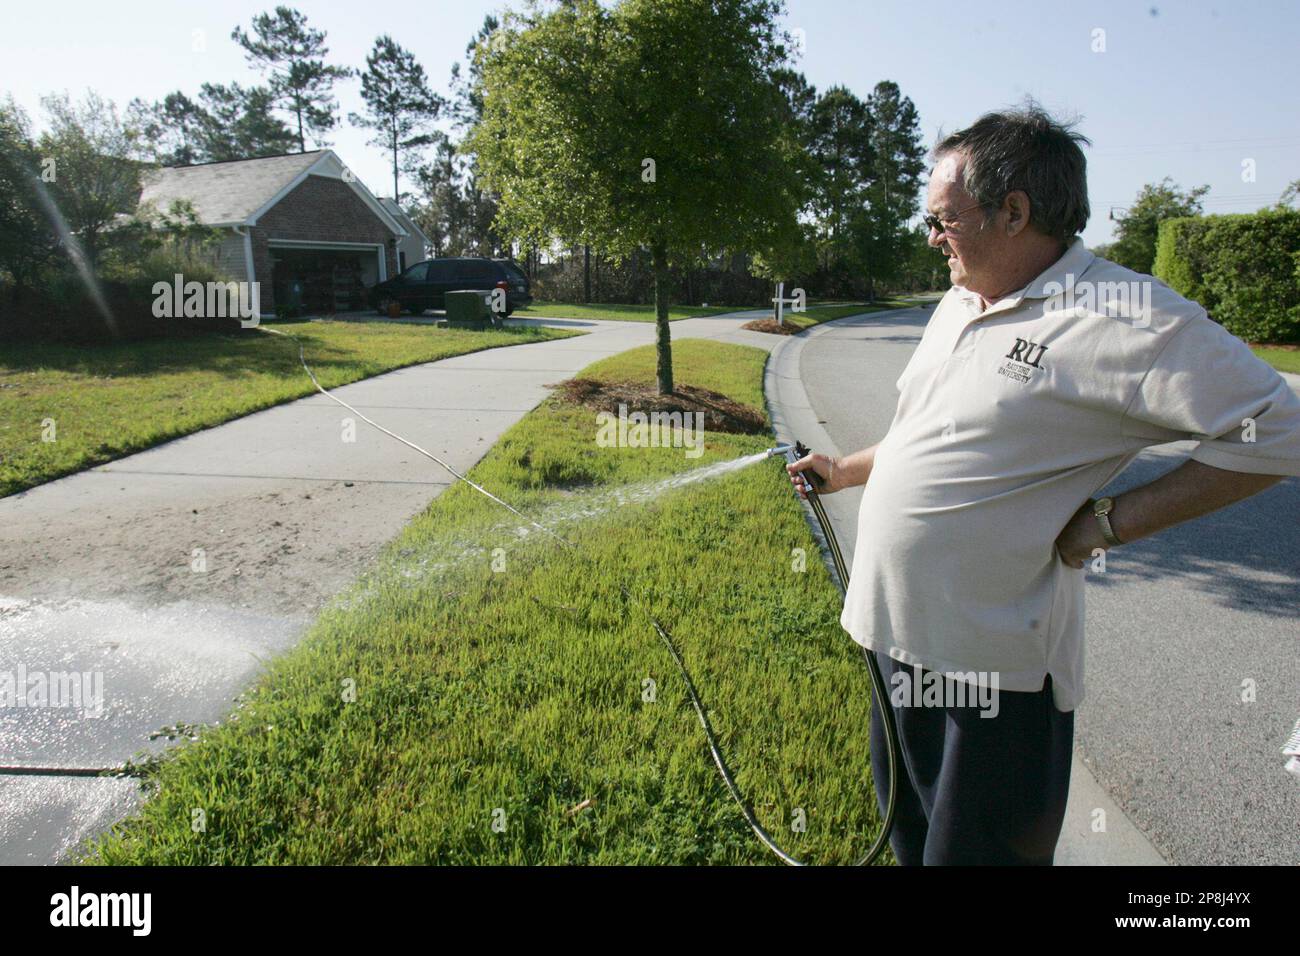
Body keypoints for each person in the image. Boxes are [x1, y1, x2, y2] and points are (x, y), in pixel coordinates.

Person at [786, 103, 1300, 865]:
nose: (931, 239)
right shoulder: (963, 301)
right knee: (912, 843)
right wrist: (845, 470)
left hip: (996, 681)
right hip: (894, 642)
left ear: (1014, 212)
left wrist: (1110, 523)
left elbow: (1278, 427)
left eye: (944, 220)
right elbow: (924, 436)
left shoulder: (1124, 317)